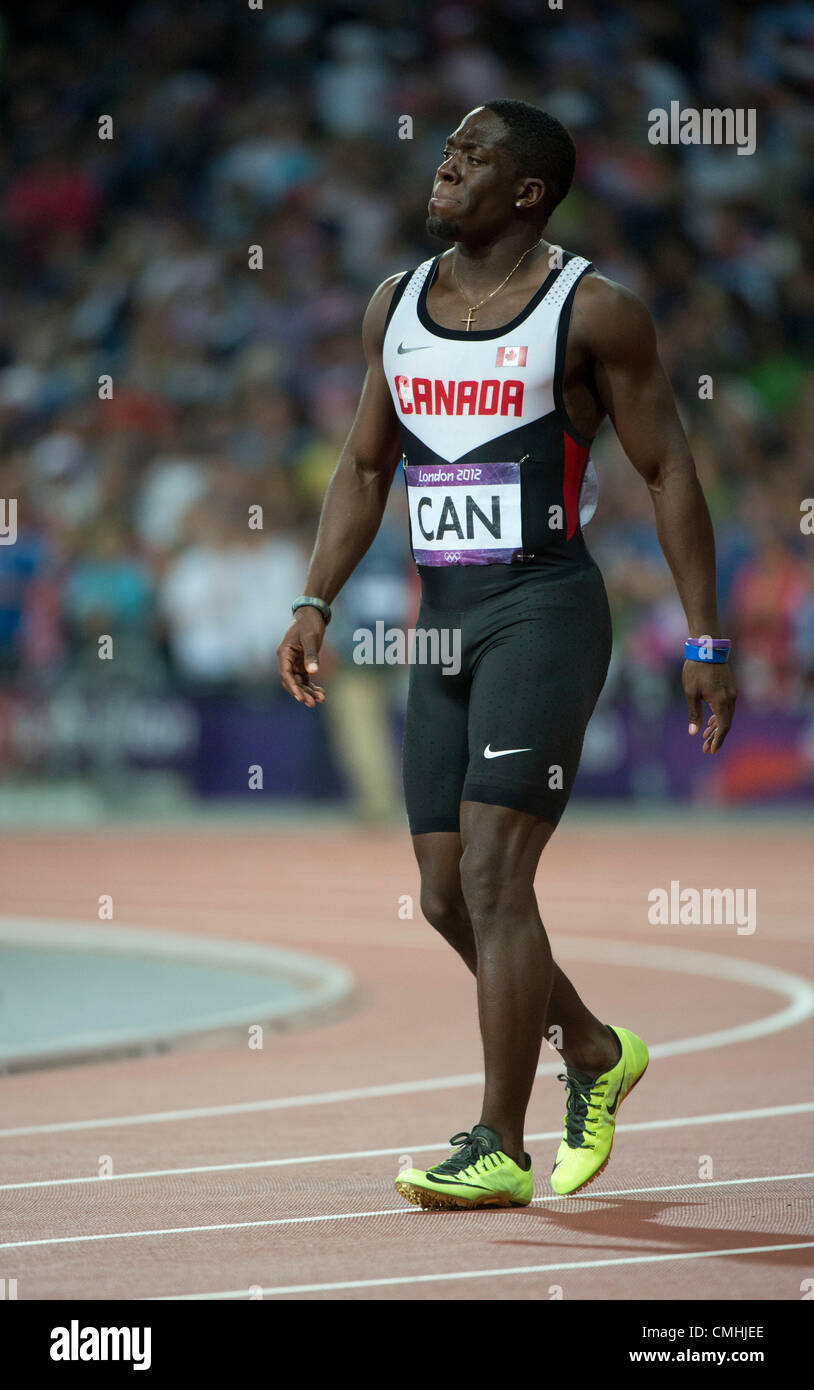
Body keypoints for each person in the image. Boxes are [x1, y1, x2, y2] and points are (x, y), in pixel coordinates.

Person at [277, 100, 737, 1209]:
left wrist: (704, 634)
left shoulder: (594, 311)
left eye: (471, 158)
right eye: (446, 152)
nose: (444, 168)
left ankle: (496, 1141)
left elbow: (669, 469)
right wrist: (314, 597)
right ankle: (590, 1046)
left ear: (527, 192)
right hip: (440, 614)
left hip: (542, 605)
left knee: (494, 874)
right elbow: (363, 464)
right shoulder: (394, 304)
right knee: (443, 897)